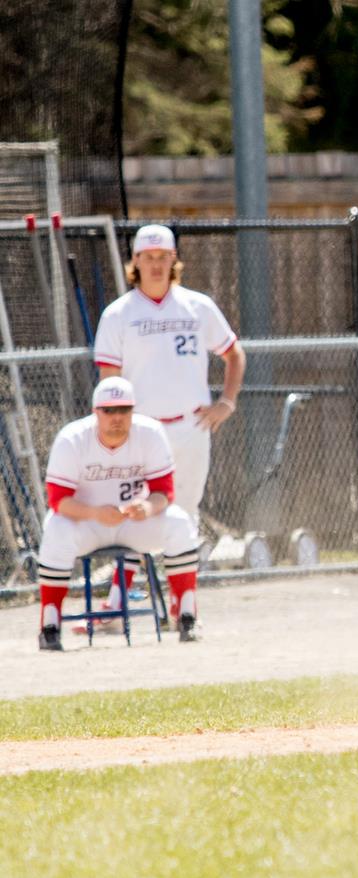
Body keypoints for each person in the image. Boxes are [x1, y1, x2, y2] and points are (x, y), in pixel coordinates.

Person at [88, 223, 244, 617]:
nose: (156, 265)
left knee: (184, 513)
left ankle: (182, 605)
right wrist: (116, 428)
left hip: (190, 427)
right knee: (130, 511)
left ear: (174, 260)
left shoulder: (197, 305)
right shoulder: (119, 314)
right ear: (135, 262)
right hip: (140, 430)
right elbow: (110, 380)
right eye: (148, 258)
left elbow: (233, 353)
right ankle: (119, 601)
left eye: (163, 257)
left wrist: (226, 401)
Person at [35, 376, 203, 650]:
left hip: (131, 523)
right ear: (95, 412)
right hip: (87, 524)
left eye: (124, 410)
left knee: (179, 522)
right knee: (56, 529)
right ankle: (49, 624)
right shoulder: (73, 438)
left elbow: (164, 492)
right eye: (109, 410)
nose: (117, 417)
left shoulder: (150, 433)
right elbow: (58, 501)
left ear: (132, 411)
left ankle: (187, 616)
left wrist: (148, 507)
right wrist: (94, 513)